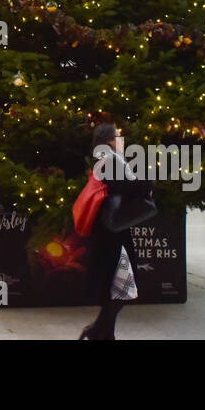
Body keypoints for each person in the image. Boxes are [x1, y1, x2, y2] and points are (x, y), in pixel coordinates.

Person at [78, 123, 153, 340]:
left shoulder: (111, 159)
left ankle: (101, 332)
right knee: (121, 289)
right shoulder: (110, 160)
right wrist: (147, 184)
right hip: (112, 236)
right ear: (109, 140)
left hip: (112, 234)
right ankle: (98, 331)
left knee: (119, 289)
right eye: (118, 135)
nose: (121, 138)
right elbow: (125, 185)